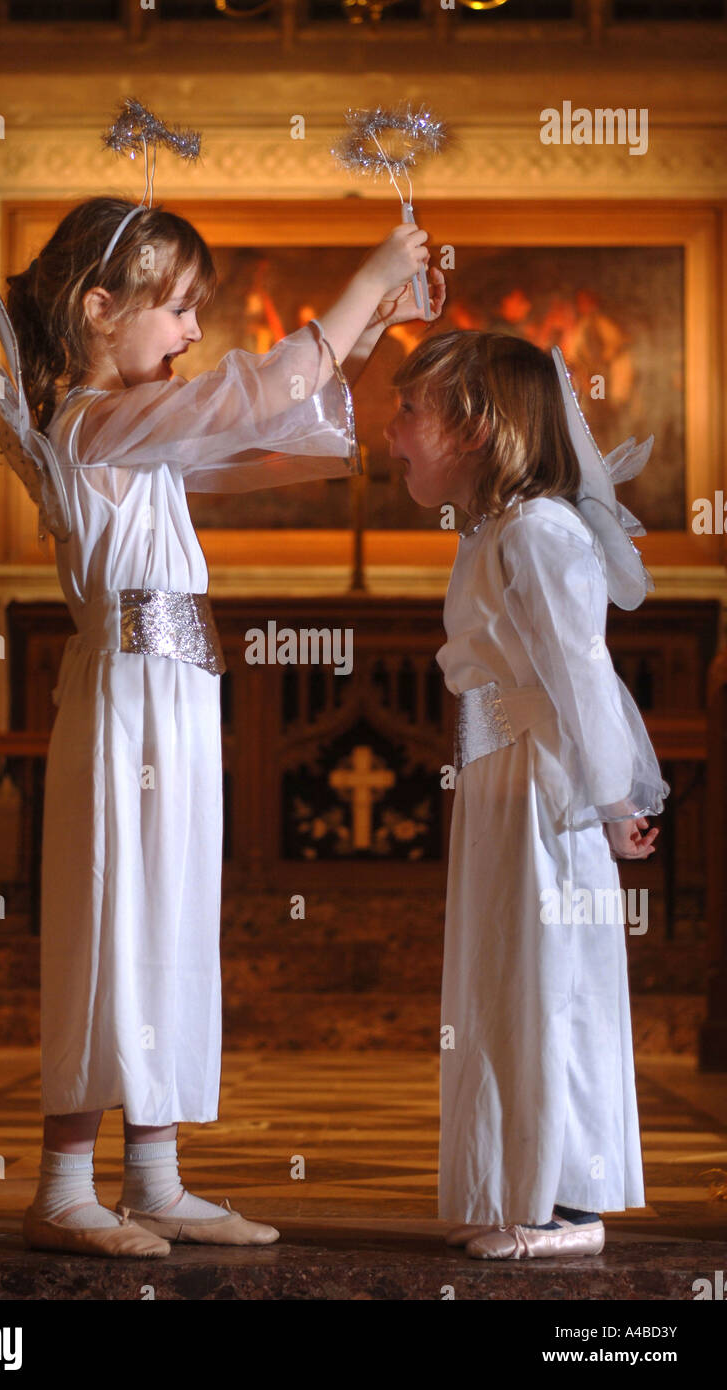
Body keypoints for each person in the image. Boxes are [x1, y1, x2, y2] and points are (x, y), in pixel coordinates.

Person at [0, 195, 443, 1257]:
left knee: (170, 924)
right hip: (124, 704)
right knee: (117, 920)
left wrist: (370, 331)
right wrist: (371, 276)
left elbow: (267, 439)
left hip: (176, 695)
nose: (196, 333)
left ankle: (153, 1175)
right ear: (98, 308)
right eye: (179, 309)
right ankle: (61, 1186)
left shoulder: (145, 433)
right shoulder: (92, 422)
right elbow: (256, 394)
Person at [383, 329, 669, 1260]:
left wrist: (616, 796)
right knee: (504, 978)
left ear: (471, 426)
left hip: (552, 791)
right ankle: (516, 1181)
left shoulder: (539, 533)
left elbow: (580, 673)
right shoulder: (496, 531)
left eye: (407, 411)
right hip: (503, 782)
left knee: (551, 981)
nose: (390, 435)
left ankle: (565, 1205)